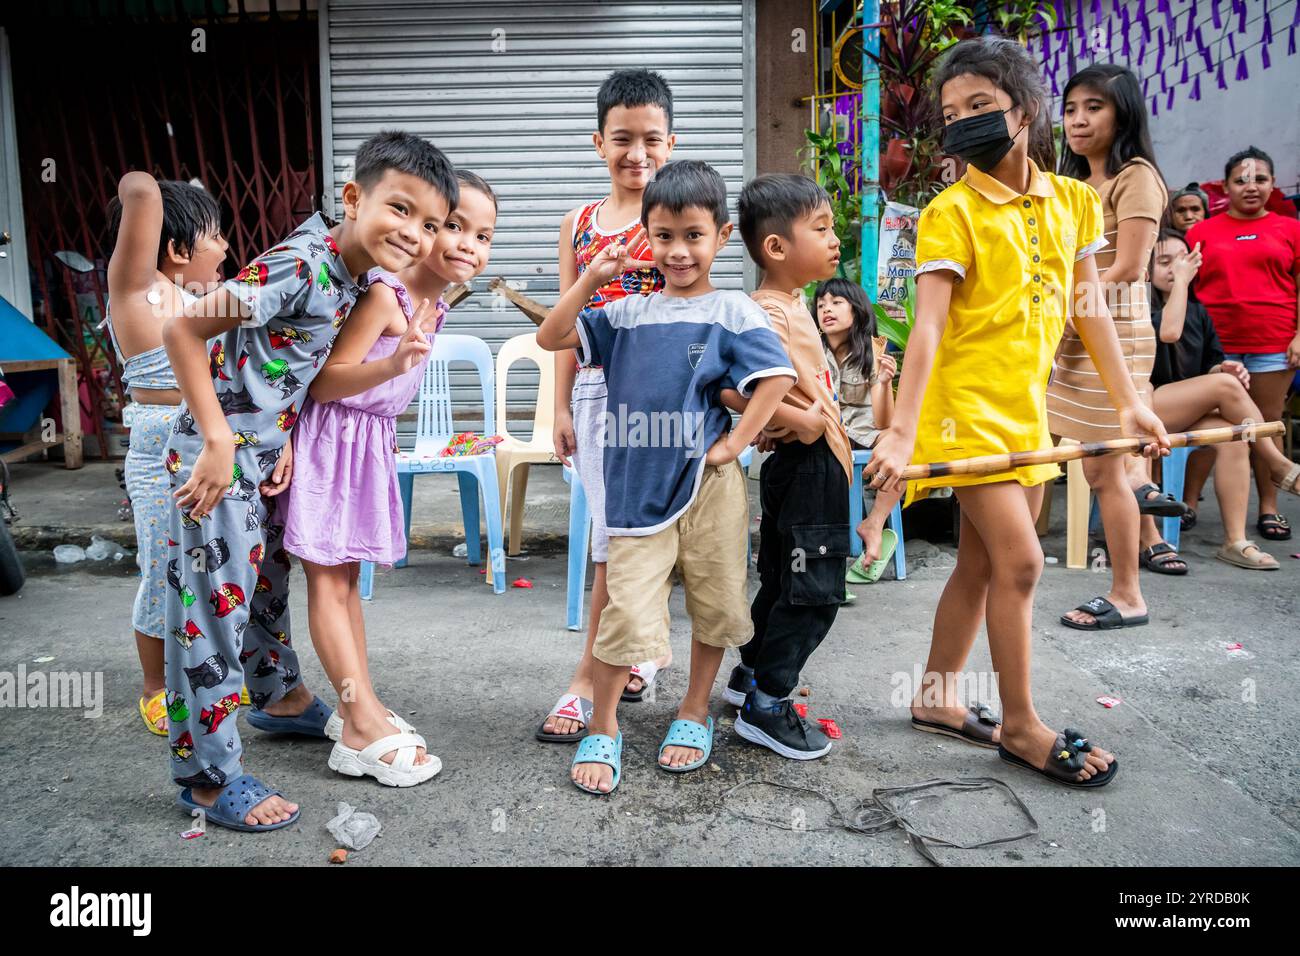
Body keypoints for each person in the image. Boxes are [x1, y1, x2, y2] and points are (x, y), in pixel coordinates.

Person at [867, 37, 1170, 788]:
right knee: (1024, 563)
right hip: (964, 413)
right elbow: (928, 327)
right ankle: (1024, 726)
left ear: (1024, 111)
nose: (964, 122)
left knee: (981, 563)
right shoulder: (951, 211)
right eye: (952, 113)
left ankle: (937, 698)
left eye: (981, 107)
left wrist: (1131, 403)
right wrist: (902, 430)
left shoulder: (1071, 202)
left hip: (1024, 414)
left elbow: (1089, 308)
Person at [160, 130, 457, 831]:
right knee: (210, 616)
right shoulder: (299, 264)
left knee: (264, 589)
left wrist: (282, 432)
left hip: (265, 454)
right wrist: (217, 437)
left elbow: (282, 364)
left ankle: (278, 698)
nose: (415, 234)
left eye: (432, 223)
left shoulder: (355, 277)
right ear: (353, 198)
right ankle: (206, 779)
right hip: (217, 462)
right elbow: (184, 331)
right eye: (401, 209)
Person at [537, 160, 795, 793]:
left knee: (715, 601)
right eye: (664, 235)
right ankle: (603, 726)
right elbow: (551, 336)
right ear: (645, 236)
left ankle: (693, 710)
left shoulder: (732, 310)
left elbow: (777, 378)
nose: (678, 251)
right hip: (632, 488)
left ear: (722, 235)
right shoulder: (623, 314)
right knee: (621, 611)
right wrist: (592, 278)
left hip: (710, 491)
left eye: (693, 235)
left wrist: (734, 443)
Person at [281, 170, 498, 786]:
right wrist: (396, 363)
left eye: (483, 235)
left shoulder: (433, 304)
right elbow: (326, 380)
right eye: (452, 227)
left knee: (348, 582)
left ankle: (364, 706)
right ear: (425, 230)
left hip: (366, 444)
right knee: (328, 584)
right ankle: (356, 723)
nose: (466, 245)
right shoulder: (384, 294)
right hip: (332, 441)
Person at [538, 69, 677, 743]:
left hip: (664, 397)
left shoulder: (680, 218)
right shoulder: (579, 224)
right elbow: (562, 327)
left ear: (671, 142)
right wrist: (559, 407)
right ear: (599, 142)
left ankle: (621, 661)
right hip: (597, 391)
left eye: (651, 139)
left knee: (642, 537)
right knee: (608, 543)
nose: (637, 153)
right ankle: (595, 675)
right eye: (622, 139)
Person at [711, 173, 850, 760]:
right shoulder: (767, 309)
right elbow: (728, 386)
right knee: (812, 591)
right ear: (776, 248)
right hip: (808, 466)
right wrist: (801, 422)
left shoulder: (790, 303)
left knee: (784, 578)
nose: (834, 237)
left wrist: (792, 420)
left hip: (809, 466)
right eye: (820, 228)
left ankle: (750, 679)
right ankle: (769, 703)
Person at [1048, 63, 1171, 630]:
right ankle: (1011, 568)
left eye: (1093, 107)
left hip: (1114, 329)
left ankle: (1128, 594)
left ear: (1122, 111)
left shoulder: (1136, 175)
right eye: (1071, 108)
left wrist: (1064, 307)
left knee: (1105, 471)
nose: (1077, 119)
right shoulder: (1075, 186)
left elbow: (1127, 267)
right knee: (1042, 455)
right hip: (1071, 329)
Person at [106, 174, 229, 736]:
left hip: (205, 453)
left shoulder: (197, 303)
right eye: (215, 235)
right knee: (161, 571)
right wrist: (156, 190)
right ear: (177, 250)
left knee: (208, 566)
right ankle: (156, 687)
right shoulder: (140, 292)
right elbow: (139, 190)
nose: (226, 246)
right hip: (158, 455)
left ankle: (205, 669)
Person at [1140, 229, 1296, 571]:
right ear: (1147, 268)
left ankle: (1236, 541)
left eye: (1182, 262)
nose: (1174, 269)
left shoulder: (1197, 312)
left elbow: (1209, 362)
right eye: (1165, 261)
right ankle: (1276, 463)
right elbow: (1168, 332)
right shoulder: (1137, 305)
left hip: (1177, 411)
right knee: (1225, 387)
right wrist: (1181, 281)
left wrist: (1223, 367)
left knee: (1234, 438)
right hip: (1142, 407)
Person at [1187, 146, 1300, 542]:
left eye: (1260, 179)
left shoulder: (1291, 229)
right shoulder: (1200, 232)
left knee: (1266, 426)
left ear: (1272, 184)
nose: (1250, 187)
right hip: (1215, 348)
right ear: (1226, 186)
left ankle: (1269, 507)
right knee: (1208, 426)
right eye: (1241, 180)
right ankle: (1190, 503)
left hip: (1273, 344)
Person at [815, 277, 903, 579]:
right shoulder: (811, 349)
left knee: (900, 444)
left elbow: (882, 422)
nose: (827, 309)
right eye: (821, 304)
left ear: (856, 310)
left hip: (865, 435)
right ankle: (826, 563)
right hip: (824, 434)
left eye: (837, 303)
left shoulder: (872, 351)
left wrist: (883, 383)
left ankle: (874, 523)